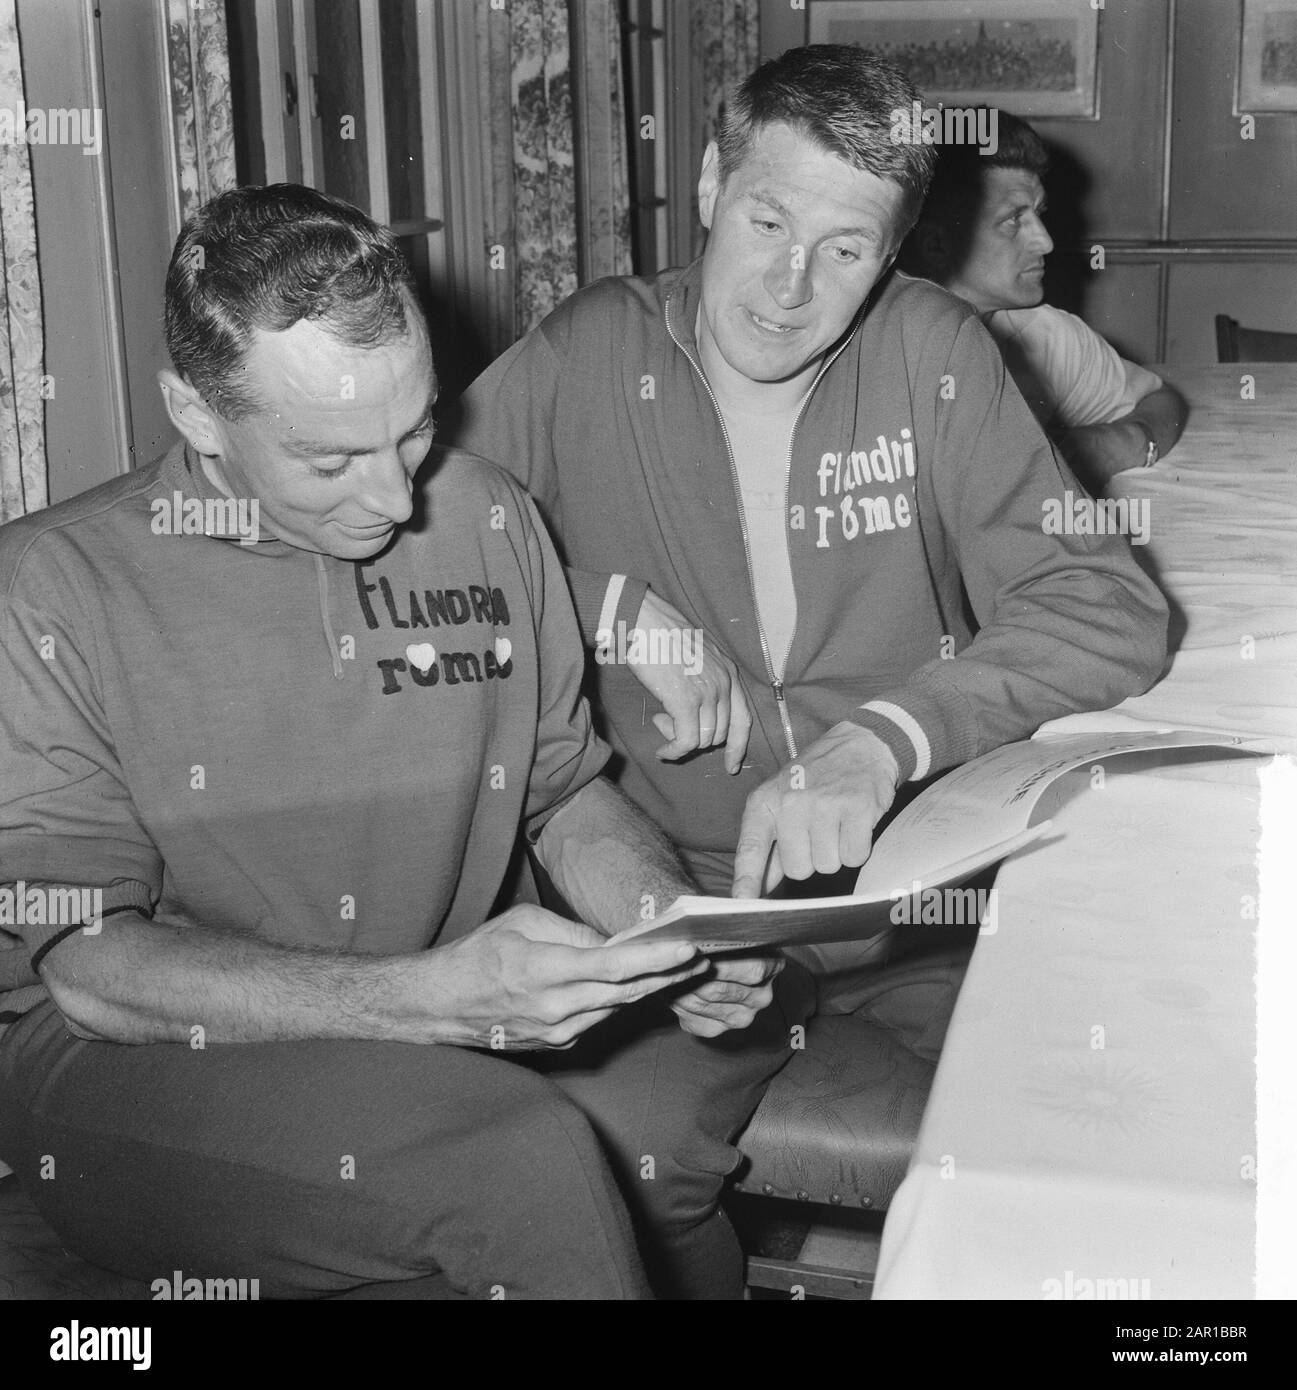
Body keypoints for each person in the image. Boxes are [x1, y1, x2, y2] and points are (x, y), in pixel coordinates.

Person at [0, 184, 810, 1301]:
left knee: (680, 1156)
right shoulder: (50, 585)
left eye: (417, 427)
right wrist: (429, 998)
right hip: (136, 1059)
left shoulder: (485, 513)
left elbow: (562, 794)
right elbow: (93, 972)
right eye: (330, 461)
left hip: (428, 1028)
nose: (394, 497)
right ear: (196, 413)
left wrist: (663, 925)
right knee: (516, 1163)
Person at [444, 46, 1170, 949]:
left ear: (893, 250)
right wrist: (606, 610)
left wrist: (886, 739)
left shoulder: (932, 351)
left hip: (912, 883)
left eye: (845, 250)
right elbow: (406, 562)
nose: (790, 288)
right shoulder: (584, 350)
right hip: (654, 894)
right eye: (767, 223)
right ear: (710, 184)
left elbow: (1105, 607)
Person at [897, 107, 1186, 494]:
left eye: (1039, 214)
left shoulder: (1040, 334)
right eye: (1013, 219)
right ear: (936, 243)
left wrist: (1118, 444)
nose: (1046, 242)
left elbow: (1161, 399)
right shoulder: (869, 353)